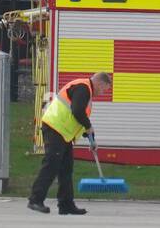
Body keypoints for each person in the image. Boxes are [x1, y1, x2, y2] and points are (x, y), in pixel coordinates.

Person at [28, 71, 113, 215]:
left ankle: (66, 204)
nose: (103, 92)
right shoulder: (83, 88)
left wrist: (90, 136)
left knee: (66, 169)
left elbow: (79, 117)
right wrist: (88, 126)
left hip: (63, 133)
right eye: (104, 89)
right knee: (51, 165)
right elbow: (77, 111)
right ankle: (35, 200)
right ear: (100, 83)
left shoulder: (86, 91)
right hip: (55, 128)